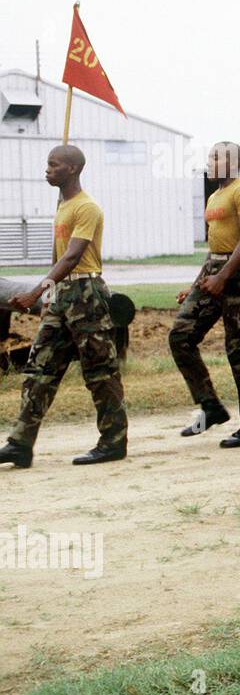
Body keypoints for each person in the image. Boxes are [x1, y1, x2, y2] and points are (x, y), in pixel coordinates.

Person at [0, 144, 127, 468]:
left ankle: (113, 441)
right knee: (39, 367)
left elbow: (72, 257)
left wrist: (33, 294)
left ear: (71, 169)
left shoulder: (87, 207)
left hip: (87, 293)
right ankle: (20, 443)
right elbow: (58, 257)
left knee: (100, 371)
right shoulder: (64, 205)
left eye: (53, 165)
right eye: (47, 164)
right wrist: (49, 299)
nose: (47, 169)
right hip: (62, 296)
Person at [169, 142, 240, 445]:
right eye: (210, 156)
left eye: (218, 157)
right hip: (214, 272)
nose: (211, 161)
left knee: (239, 351)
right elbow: (214, 248)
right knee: (180, 337)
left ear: (235, 162)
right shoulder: (214, 195)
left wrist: (223, 277)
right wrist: (197, 285)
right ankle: (211, 407)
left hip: (239, 277)